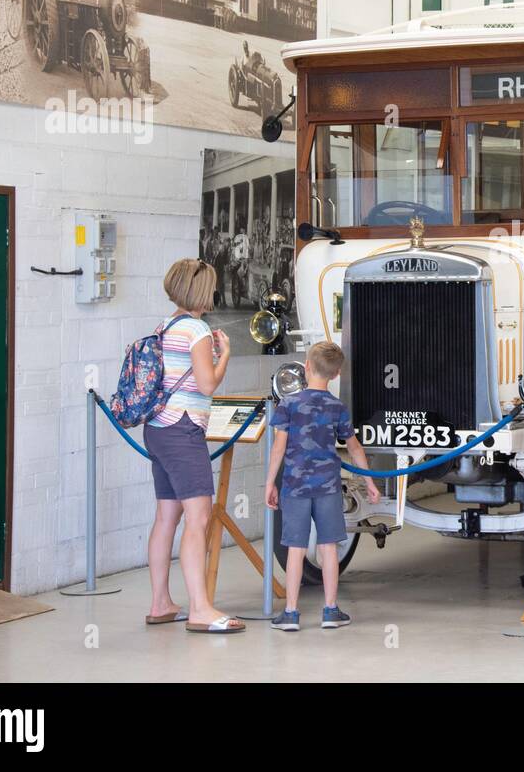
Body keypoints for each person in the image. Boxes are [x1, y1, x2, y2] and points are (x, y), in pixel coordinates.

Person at [143, 259, 244, 633]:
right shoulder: (197, 330)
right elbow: (206, 385)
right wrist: (225, 356)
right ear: (203, 291)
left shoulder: (164, 326)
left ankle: (161, 602)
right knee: (199, 517)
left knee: (166, 516)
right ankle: (201, 609)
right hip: (183, 429)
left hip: (157, 429)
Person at [265, 342, 379, 631]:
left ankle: (290, 613)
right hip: (328, 487)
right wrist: (369, 482)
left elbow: (278, 448)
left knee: (296, 549)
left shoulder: (288, 405)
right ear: (336, 373)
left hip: (295, 488)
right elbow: (354, 448)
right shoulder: (337, 407)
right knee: (329, 548)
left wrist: (269, 483)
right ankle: (330, 610)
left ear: (306, 367)